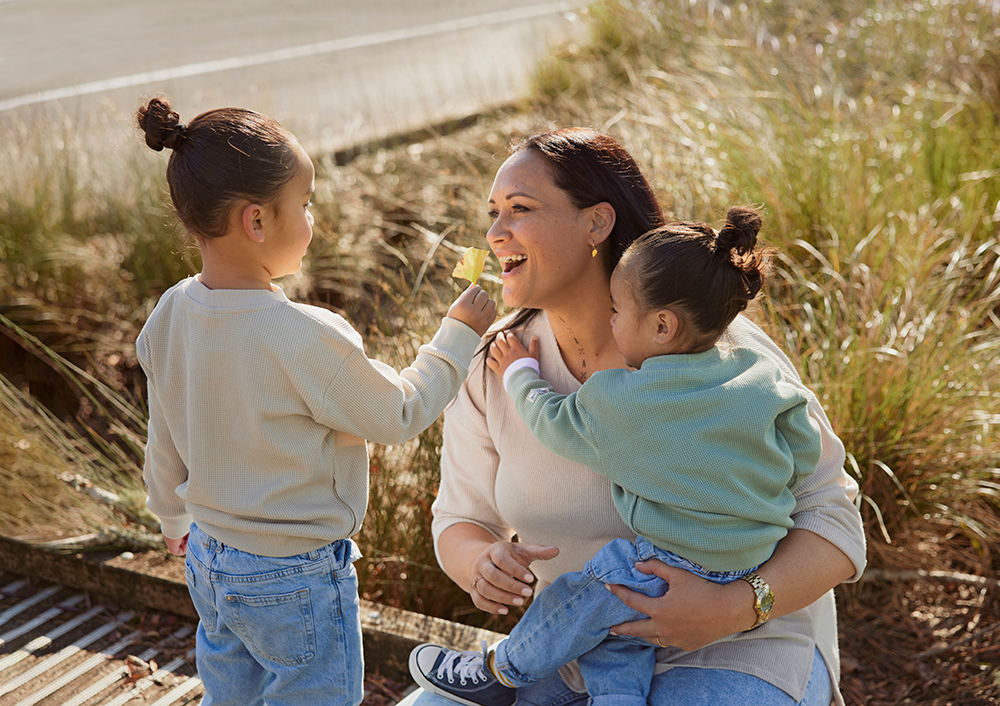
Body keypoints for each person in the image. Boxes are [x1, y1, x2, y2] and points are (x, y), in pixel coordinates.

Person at [414, 128, 867, 706]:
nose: (495, 232)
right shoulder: (496, 363)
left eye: (520, 209)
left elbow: (833, 521)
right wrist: (482, 563)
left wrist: (733, 607)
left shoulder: (720, 353)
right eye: (493, 212)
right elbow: (458, 519)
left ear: (596, 224)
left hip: (739, 642)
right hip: (581, 650)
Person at [134, 97, 496, 706]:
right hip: (293, 575)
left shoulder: (170, 312)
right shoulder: (304, 334)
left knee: (233, 697)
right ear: (256, 222)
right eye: (304, 204)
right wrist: (457, 336)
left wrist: (173, 520)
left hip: (209, 558)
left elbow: (163, 436)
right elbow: (399, 412)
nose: (312, 220)